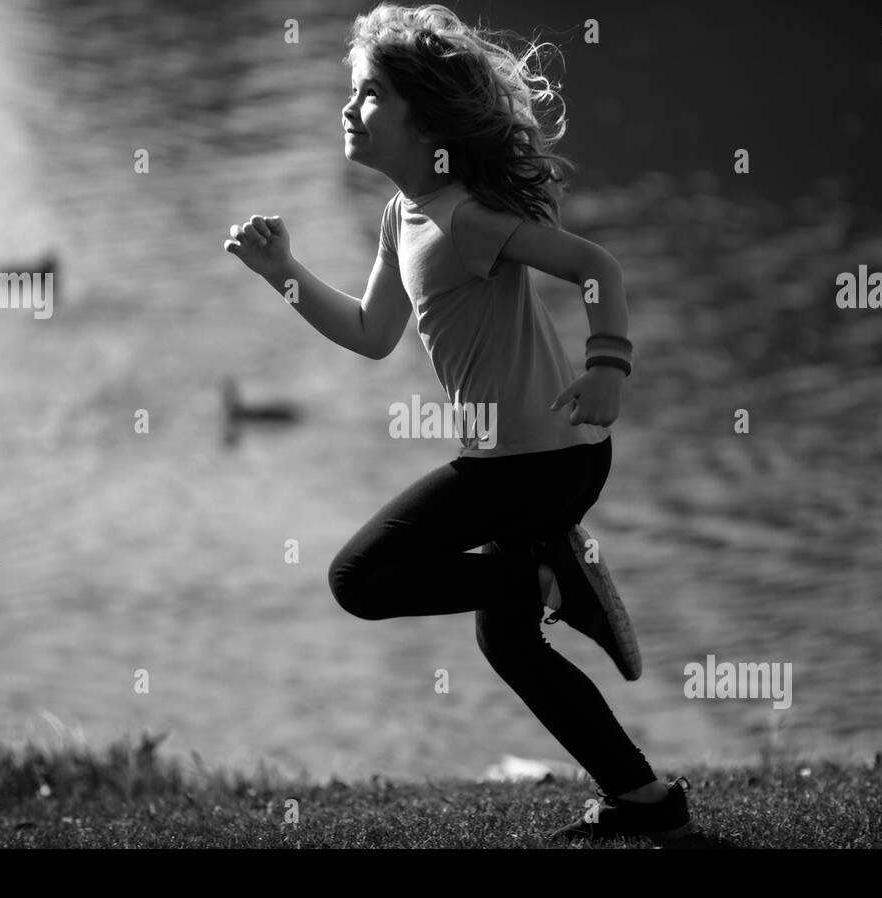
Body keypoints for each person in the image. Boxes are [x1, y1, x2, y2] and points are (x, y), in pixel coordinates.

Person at [225, 2, 693, 843]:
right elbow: (372, 335)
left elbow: (596, 266)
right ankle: (644, 798)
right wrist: (282, 272)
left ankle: (553, 579)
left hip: (541, 463)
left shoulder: (463, 216)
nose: (348, 108)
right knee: (509, 644)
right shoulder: (402, 215)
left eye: (368, 95)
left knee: (357, 579)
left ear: (424, 117)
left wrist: (609, 370)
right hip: (528, 463)